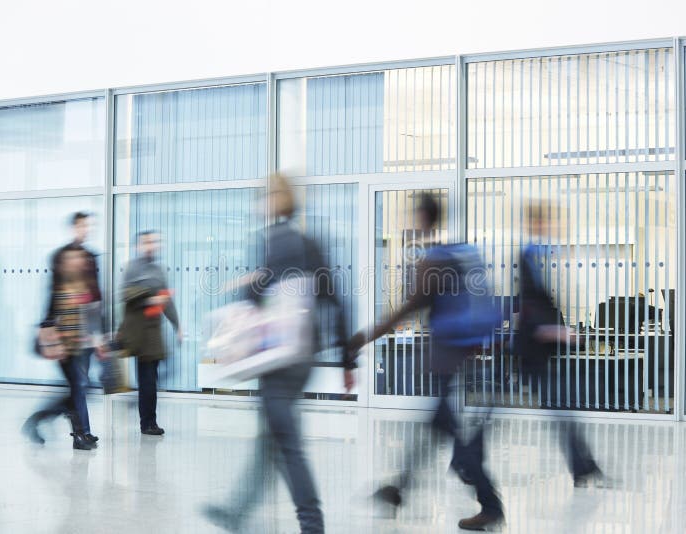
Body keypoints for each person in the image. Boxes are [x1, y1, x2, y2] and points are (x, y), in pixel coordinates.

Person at [347, 194, 505, 532]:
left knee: (452, 437)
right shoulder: (452, 255)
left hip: (446, 357)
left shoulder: (432, 261)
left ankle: (491, 504)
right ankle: (398, 489)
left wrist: (364, 337)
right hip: (457, 353)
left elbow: (409, 308)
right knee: (435, 428)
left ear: (423, 217)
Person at [203, 174, 348, 534]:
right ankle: (237, 512)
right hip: (304, 356)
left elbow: (256, 300)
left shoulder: (271, 241)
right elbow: (335, 301)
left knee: (287, 444)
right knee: (272, 436)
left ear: (271, 200)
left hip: (278, 358)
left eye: (262, 198)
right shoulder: (311, 243)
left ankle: (312, 524)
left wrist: (242, 294)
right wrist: (348, 359)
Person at [514, 202, 603, 487]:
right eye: (547, 221)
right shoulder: (529, 256)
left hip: (537, 347)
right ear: (536, 224)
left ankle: (583, 467)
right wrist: (556, 331)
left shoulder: (539, 256)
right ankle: (466, 457)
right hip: (531, 348)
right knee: (559, 407)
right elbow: (530, 306)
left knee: (561, 408)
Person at [22, 248, 100, 450]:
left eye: (79, 258)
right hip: (65, 351)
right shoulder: (59, 289)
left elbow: (88, 316)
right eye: (73, 258)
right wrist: (54, 345)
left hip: (81, 347)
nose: (78, 261)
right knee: (79, 388)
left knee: (79, 390)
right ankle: (75, 433)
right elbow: (48, 320)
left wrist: (95, 339)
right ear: (64, 264)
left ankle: (49, 423)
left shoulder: (82, 284)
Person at [118, 230, 182, 436]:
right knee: (147, 380)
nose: (151, 245)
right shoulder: (132, 268)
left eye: (154, 242)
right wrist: (149, 298)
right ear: (138, 245)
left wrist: (177, 325)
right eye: (146, 242)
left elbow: (166, 300)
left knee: (152, 378)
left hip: (155, 331)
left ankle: (148, 419)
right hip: (139, 332)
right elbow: (124, 294)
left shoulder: (158, 270)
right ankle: (147, 423)